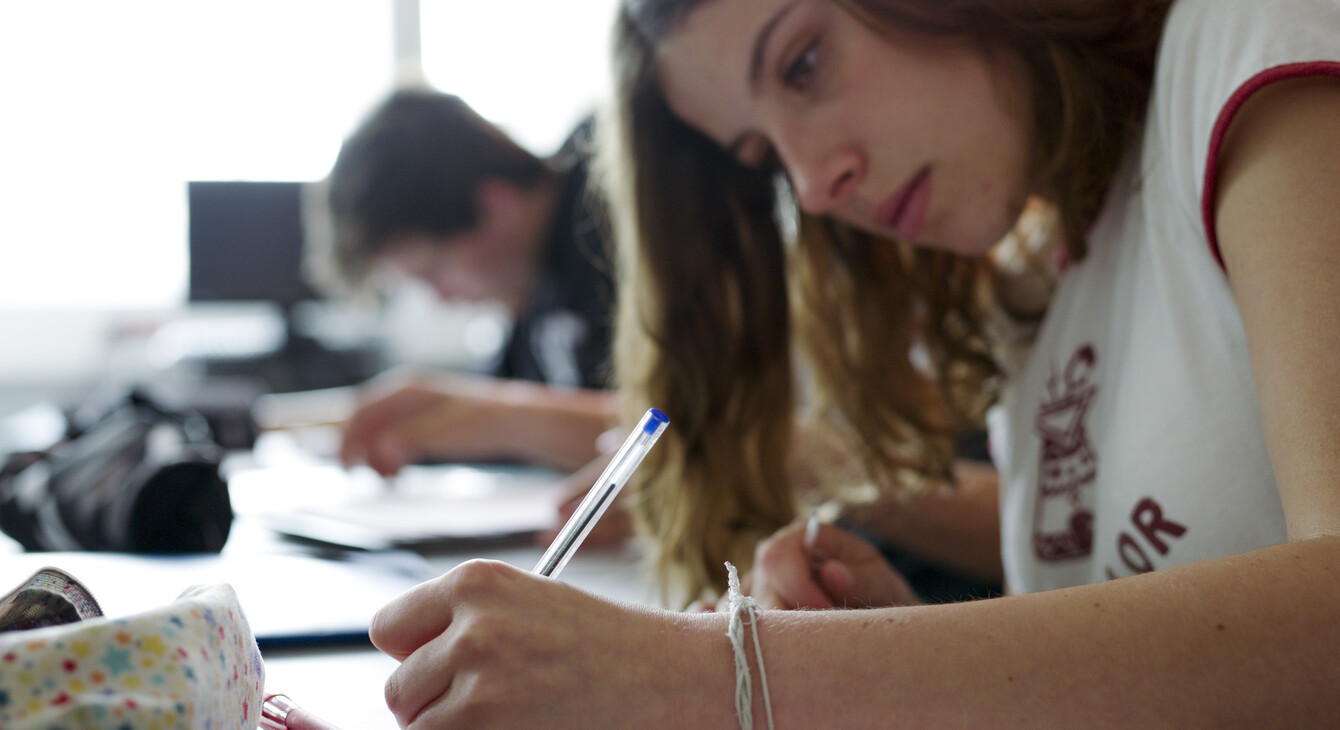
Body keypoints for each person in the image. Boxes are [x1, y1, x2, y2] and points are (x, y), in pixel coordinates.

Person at [369, 0, 1340, 726]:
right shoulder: (1031, 278)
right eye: (759, 154)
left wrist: (720, 673)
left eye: (801, 62)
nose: (812, 183)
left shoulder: (1245, 41)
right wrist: (884, 637)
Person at [313, 89, 618, 475]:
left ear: (494, 206)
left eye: (433, 273)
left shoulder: (618, 229)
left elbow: (685, 430)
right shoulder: (531, 289)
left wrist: (504, 418)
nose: (442, 300)